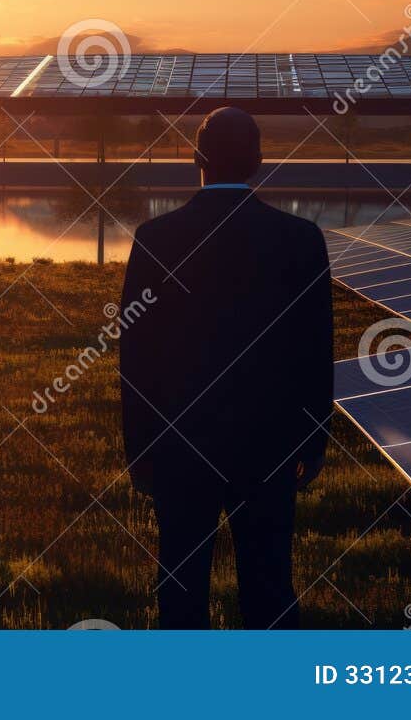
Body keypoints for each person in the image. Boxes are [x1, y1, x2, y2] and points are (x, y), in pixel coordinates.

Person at [119, 106, 333, 629]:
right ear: (258, 161)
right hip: (268, 446)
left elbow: (137, 356)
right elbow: (314, 350)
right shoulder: (301, 240)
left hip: (179, 447)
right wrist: (313, 439)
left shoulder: (155, 238)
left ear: (197, 159)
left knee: (181, 592)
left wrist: (139, 450)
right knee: (269, 588)